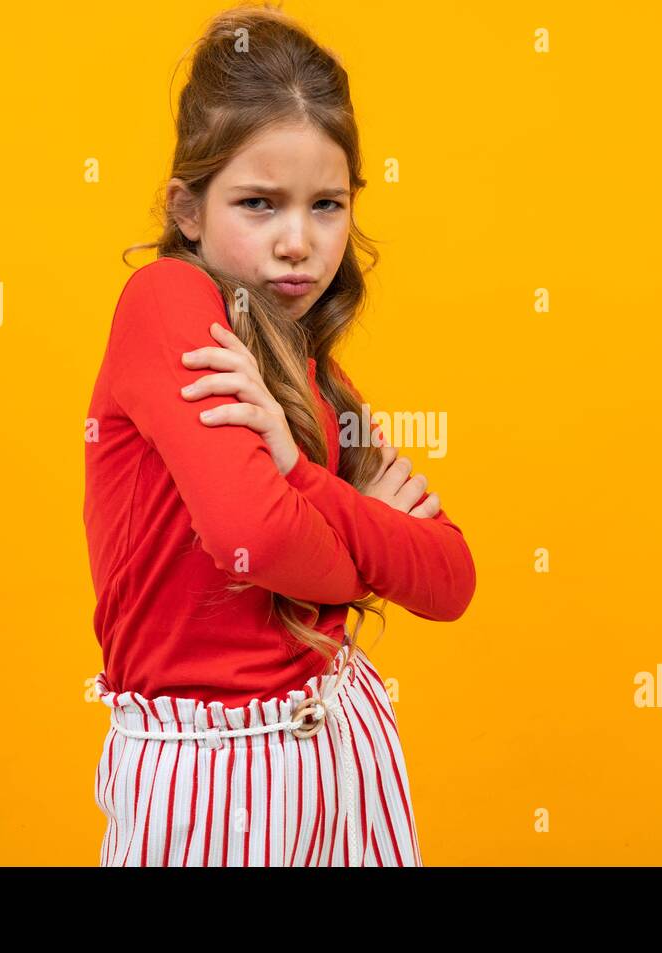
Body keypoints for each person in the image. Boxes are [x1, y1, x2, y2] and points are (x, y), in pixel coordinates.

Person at [82, 3, 476, 867]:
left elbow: (450, 578)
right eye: (258, 204)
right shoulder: (168, 304)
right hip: (209, 778)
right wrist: (363, 548)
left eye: (325, 205)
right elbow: (253, 540)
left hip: (345, 742)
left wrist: (298, 471)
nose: (299, 242)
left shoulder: (315, 377)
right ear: (187, 209)